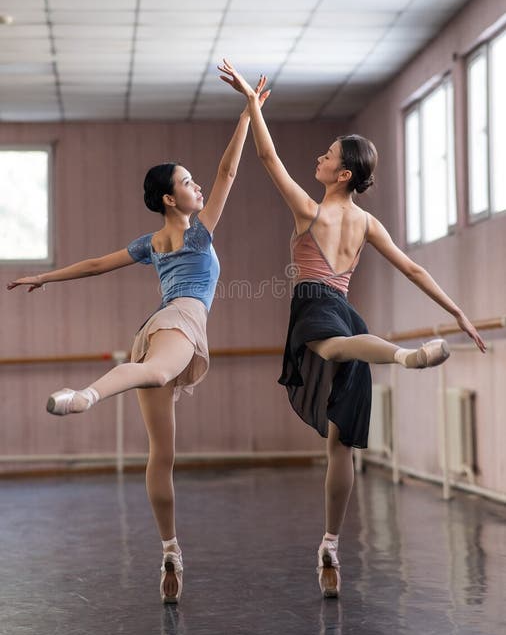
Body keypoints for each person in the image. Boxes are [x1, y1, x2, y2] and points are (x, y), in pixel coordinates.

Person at [218, 58, 486, 599]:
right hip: (348, 309)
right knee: (340, 445)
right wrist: (457, 311)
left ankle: (405, 359)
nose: (318, 157)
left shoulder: (310, 212)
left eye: (327, 155)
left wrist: (251, 104)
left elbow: (266, 157)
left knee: (334, 348)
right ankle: (331, 544)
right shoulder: (366, 223)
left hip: (318, 306)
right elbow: (412, 268)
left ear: (342, 174)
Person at [7, 81, 270, 606]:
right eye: (188, 183)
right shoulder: (198, 233)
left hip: (155, 327)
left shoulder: (153, 243)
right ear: (172, 198)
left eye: (196, 181)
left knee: (161, 453)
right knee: (152, 376)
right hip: (179, 322)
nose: (199, 186)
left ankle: (170, 551)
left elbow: (96, 265)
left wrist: (47, 277)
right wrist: (247, 113)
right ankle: (87, 397)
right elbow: (229, 172)